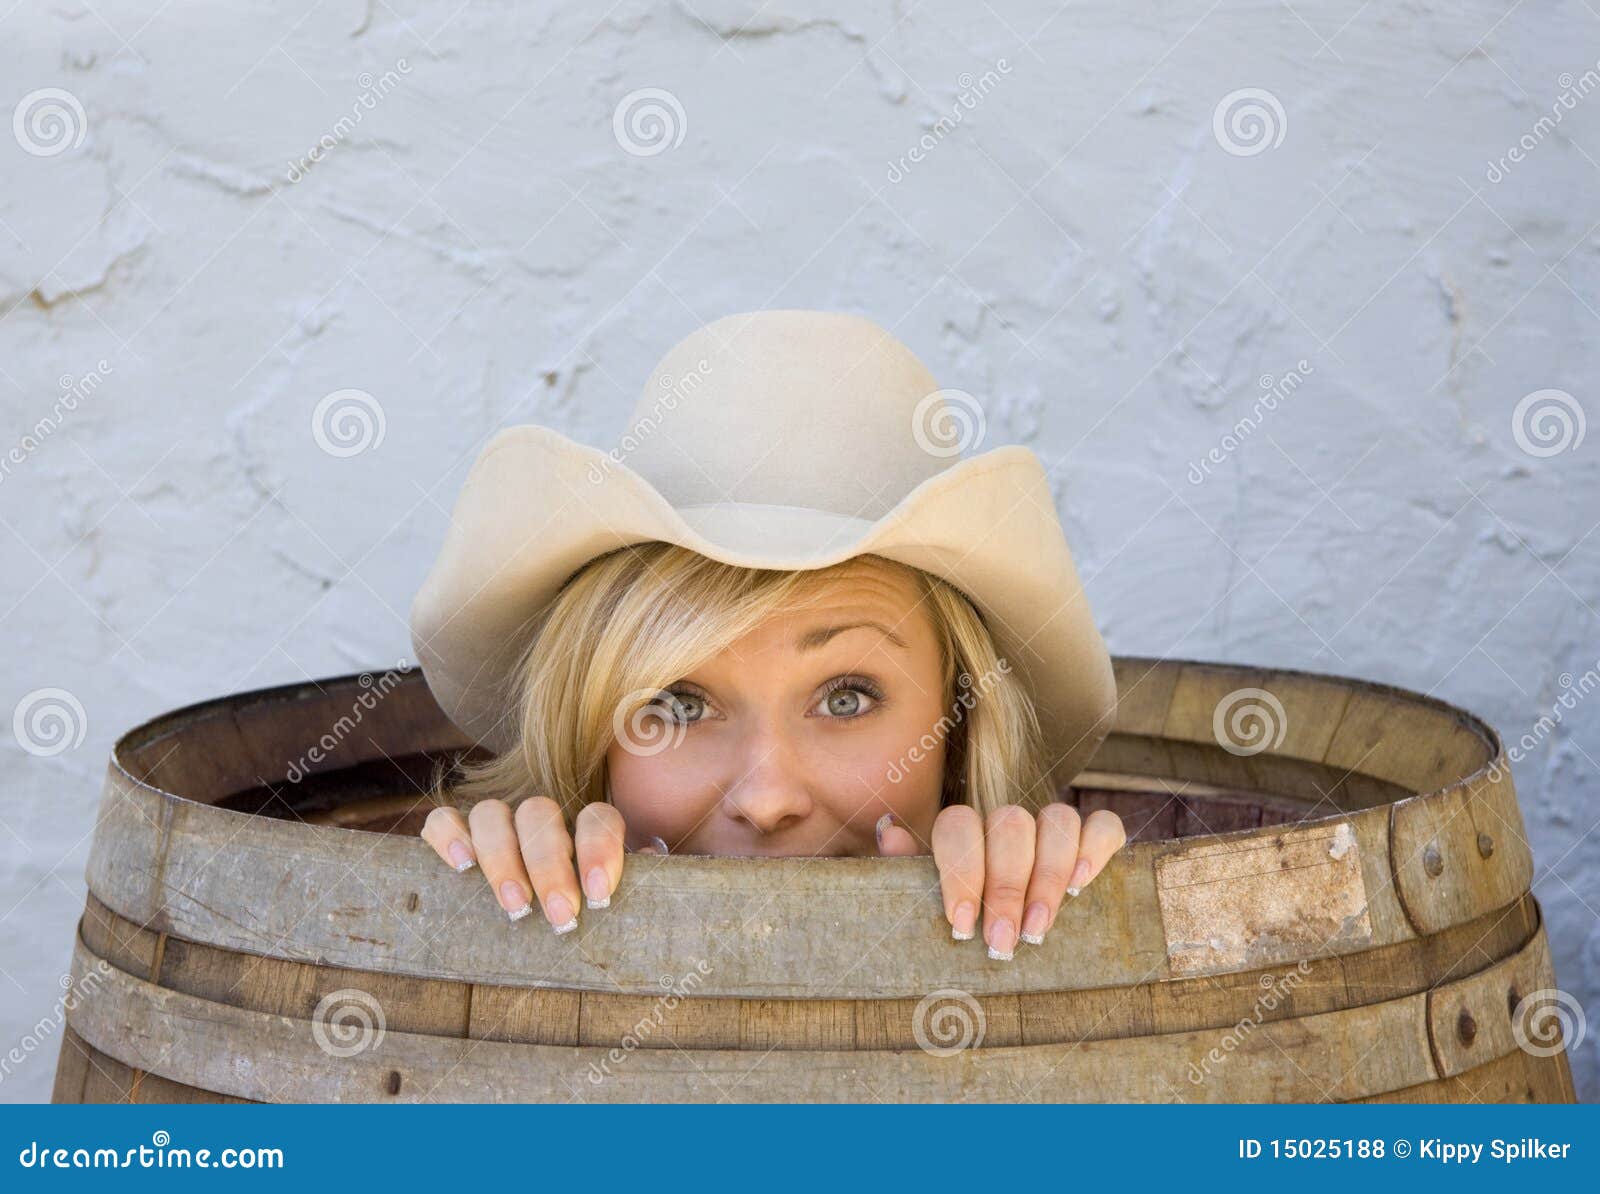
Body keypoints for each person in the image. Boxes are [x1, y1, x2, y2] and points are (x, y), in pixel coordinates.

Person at [409, 309, 1124, 962]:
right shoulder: (497, 913)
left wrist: (1089, 930)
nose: (766, 798)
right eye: (679, 705)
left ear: (961, 731)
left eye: (847, 698)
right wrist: (467, 925)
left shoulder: (1055, 918)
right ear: (588, 745)